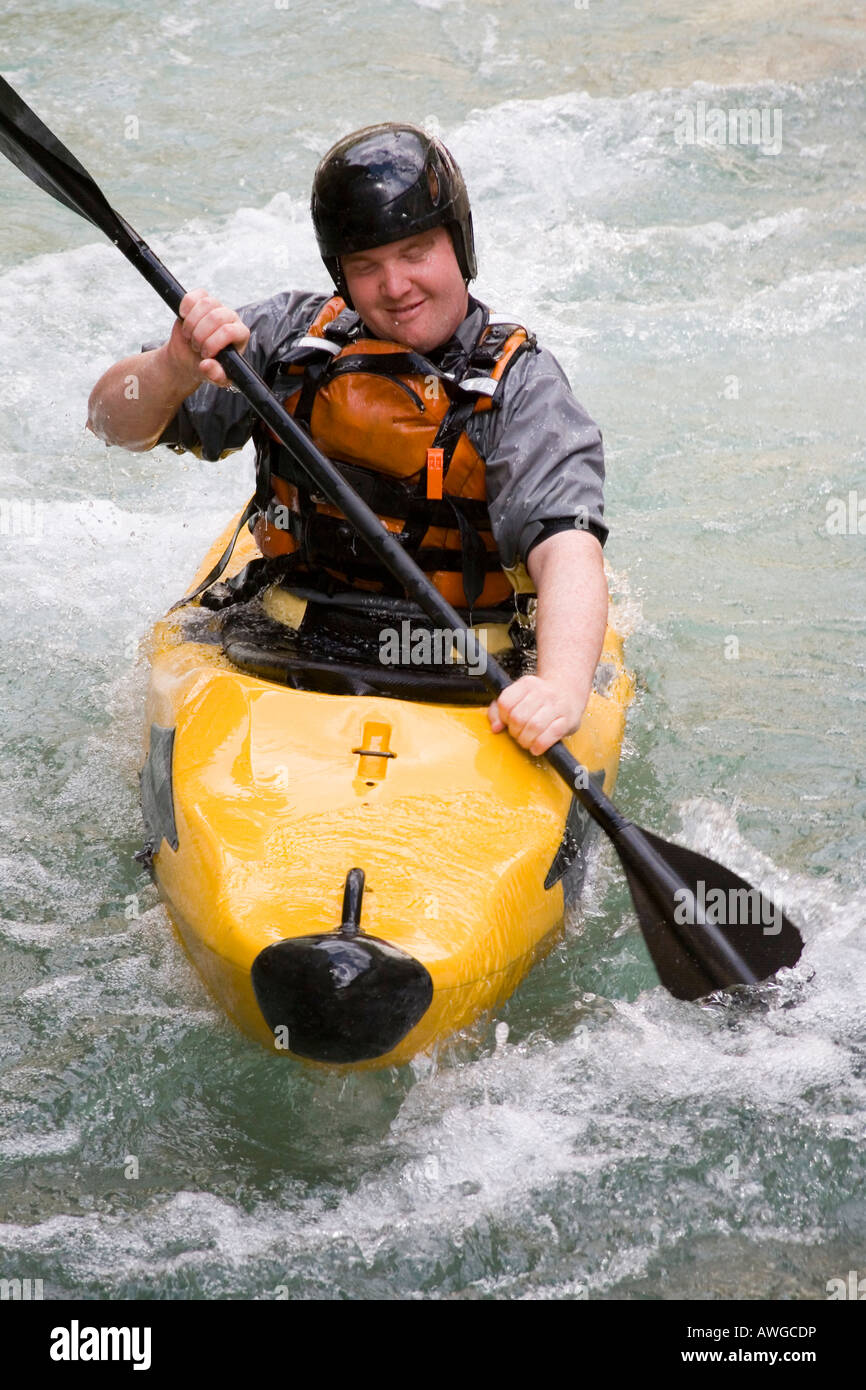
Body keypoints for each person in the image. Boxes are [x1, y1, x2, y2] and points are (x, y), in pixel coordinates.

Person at [88, 123, 608, 757]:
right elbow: (111, 424)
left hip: (467, 667)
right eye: (367, 266)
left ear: (458, 247)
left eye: (415, 252)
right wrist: (171, 366)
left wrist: (557, 687)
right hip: (281, 641)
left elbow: (567, 548)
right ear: (342, 274)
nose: (395, 287)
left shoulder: (522, 388)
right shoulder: (286, 340)